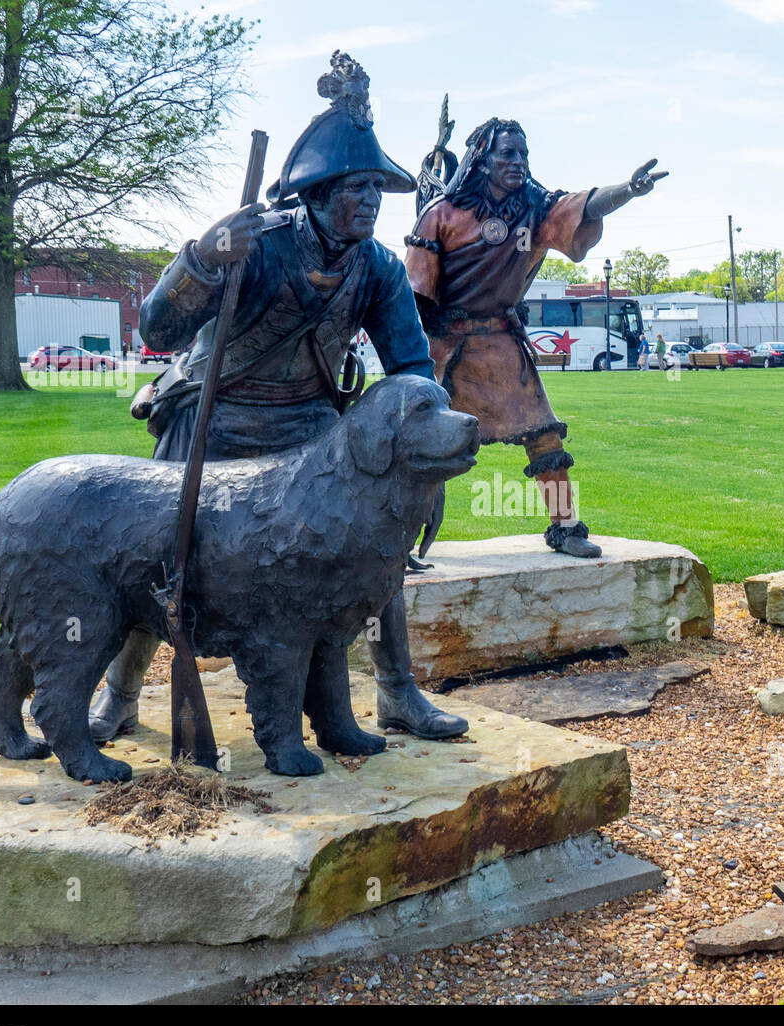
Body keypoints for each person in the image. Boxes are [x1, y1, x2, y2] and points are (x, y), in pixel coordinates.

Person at [88, 52, 468, 748]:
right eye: (357, 187)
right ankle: (118, 693)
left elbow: (410, 364)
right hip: (216, 416)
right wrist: (200, 260)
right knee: (156, 554)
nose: (372, 200)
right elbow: (157, 329)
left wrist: (422, 449)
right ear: (319, 191)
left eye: (377, 188)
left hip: (311, 429)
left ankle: (397, 691)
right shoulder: (256, 245)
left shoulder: (378, 267)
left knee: (374, 556)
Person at [404, 118, 666, 558]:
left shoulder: (534, 209)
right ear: (483, 160)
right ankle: (403, 537)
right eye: (508, 153)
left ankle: (565, 528)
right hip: (446, 350)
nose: (518, 162)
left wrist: (628, 190)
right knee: (424, 444)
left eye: (523, 154)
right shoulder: (441, 215)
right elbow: (414, 293)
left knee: (544, 434)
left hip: (503, 345)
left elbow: (580, 207)